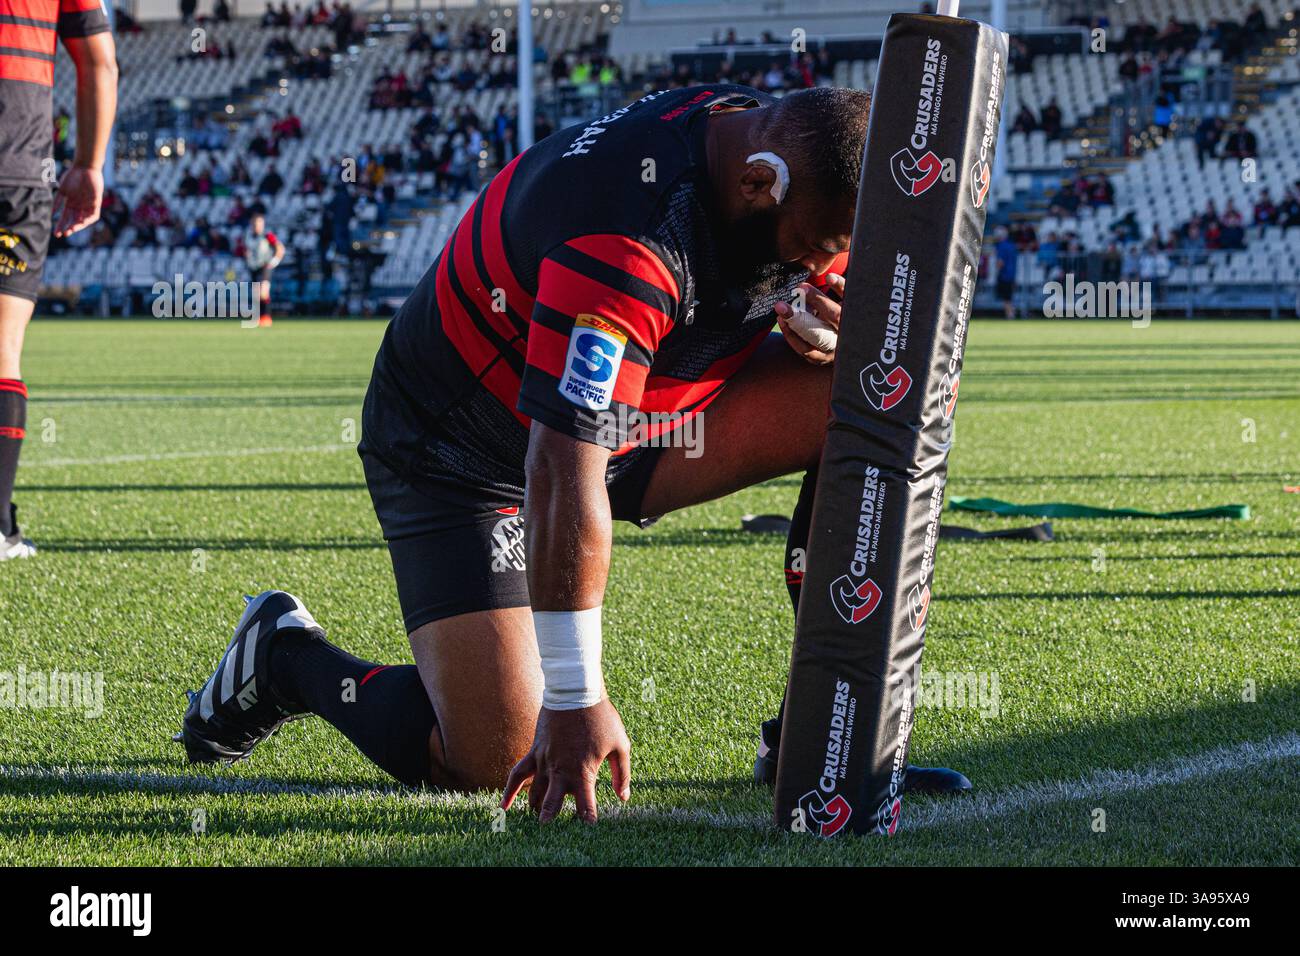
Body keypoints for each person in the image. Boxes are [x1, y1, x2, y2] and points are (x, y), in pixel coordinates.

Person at [177, 85, 970, 821]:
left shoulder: (766, 151)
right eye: (816, 247)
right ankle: (286, 659)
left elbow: (790, 269)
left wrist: (817, 311)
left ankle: (816, 737)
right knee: (495, 758)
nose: (817, 264)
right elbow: (562, 466)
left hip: (645, 419)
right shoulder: (626, 236)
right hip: (466, 448)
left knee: (877, 388)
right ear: (760, 185)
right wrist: (574, 691)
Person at [0, 0, 117, 560]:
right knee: (3, 350)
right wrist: (89, 164)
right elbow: (98, 61)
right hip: (17, 170)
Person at [242, 213, 284, 326]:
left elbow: (280, 248)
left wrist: (274, 261)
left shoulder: (267, 235)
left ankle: (266, 317)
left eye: (259, 223)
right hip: (253, 267)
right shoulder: (248, 236)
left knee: (263, 291)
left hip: (265, 266)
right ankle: (259, 317)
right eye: (255, 224)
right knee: (257, 293)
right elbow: (246, 250)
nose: (257, 226)